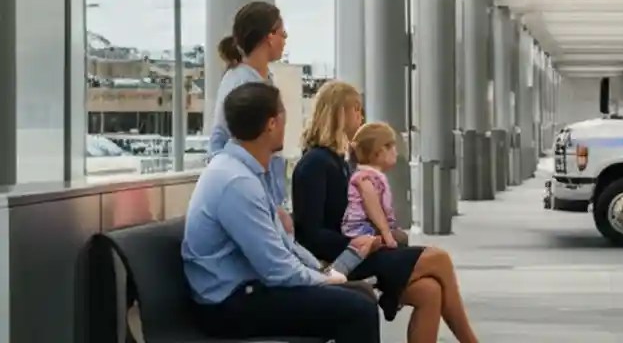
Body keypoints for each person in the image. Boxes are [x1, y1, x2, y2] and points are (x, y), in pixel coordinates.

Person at [181, 82, 380, 343]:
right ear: (272, 124)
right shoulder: (236, 182)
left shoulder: (243, 172)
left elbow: (285, 245)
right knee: (358, 310)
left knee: (360, 295)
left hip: (247, 289)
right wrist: (325, 280)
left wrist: (323, 274)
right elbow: (278, 270)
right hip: (228, 304)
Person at [293, 80, 480, 343]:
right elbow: (309, 234)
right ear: (338, 113)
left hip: (361, 251)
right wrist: (359, 243)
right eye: (355, 109)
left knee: (430, 291)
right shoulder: (314, 163)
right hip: (341, 259)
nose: (361, 116)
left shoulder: (341, 162)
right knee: (439, 259)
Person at [208, 1, 292, 234]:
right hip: (255, 201)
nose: (285, 39)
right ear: (269, 35)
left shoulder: (261, 78)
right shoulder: (242, 84)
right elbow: (237, 147)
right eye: (282, 33)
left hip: (267, 199)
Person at [343, 122, 410, 248]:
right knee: (399, 239)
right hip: (362, 229)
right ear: (380, 151)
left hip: (371, 226)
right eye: (393, 147)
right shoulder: (365, 177)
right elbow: (373, 207)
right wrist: (387, 235)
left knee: (401, 237)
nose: (396, 152)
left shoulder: (373, 175)